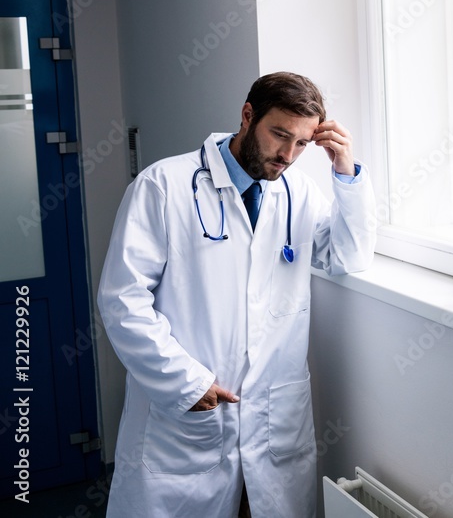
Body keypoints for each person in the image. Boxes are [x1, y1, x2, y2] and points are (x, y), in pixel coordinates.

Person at [97, 72, 375, 518]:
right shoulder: (164, 186)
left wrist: (345, 172)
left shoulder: (298, 190)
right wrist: (187, 382)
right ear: (247, 116)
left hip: (272, 416)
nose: (288, 154)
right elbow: (122, 301)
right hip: (189, 411)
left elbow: (348, 254)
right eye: (279, 134)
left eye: (302, 143)